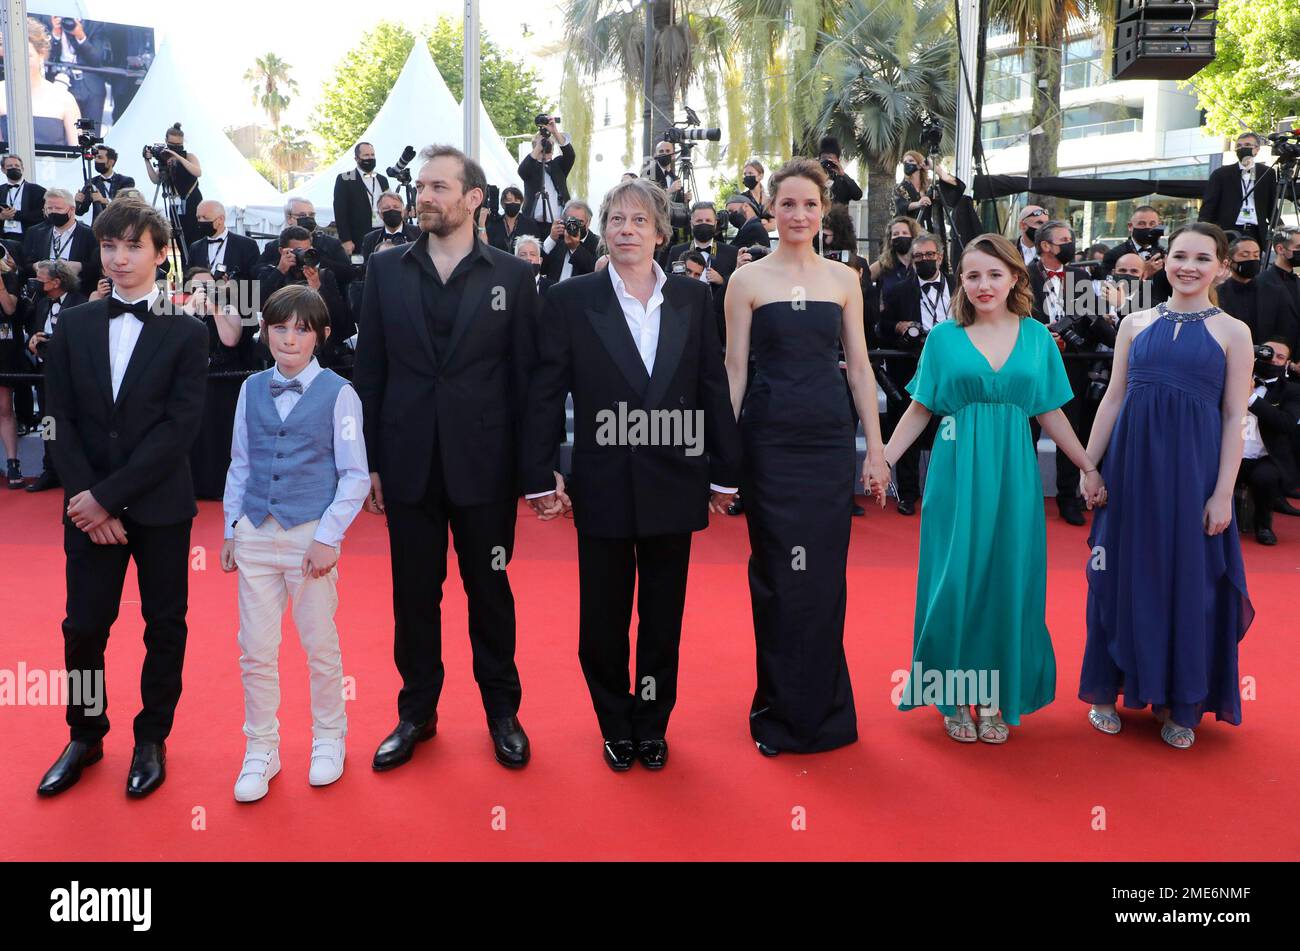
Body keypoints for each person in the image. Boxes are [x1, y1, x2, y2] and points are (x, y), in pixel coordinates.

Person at [522, 177, 741, 770]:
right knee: (603, 618)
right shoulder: (571, 300)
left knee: (663, 617)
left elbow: (710, 385)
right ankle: (614, 721)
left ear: (660, 233)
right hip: (603, 481)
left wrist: (726, 470)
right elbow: (546, 392)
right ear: (603, 229)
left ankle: (652, 720)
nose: (626, 230)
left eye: (639, 221)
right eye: (616, 219)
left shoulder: (695, 300)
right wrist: (541, 472)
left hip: (676, 476)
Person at [353, 144, 538, 772]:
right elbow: (369, 370)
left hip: (484, 465)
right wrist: (369, 461)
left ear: (473, 198)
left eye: (438, 187)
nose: (423, 196)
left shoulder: (513, 277)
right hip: (407, 463)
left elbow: (527, 382)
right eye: (420, 186)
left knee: (489, 591)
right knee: (413, 595)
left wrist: (529, 470)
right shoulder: (385, 271)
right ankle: (416, 713)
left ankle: (502, 712)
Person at [885, 232, 1100, 743]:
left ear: (1015, 279)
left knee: (1008, 582)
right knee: (956, 581)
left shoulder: (1037, 338)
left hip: (1015, 476)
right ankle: (954, 694)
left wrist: (1088, 466)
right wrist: (884, 460)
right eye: (973, 275)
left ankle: (995, 696)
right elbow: (920, 408)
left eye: (994, 274)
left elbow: (1051, 411)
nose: (983, 285)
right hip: (957, 472)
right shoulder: (943, 338)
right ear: (960, 281)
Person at [35, 199, 208, 798]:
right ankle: (84, 733)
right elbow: (57, 420)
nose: (120, 257)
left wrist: (107, 498)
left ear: (162, 255)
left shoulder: (189, 333)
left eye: (134, 246)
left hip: (157, 507)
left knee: (165, 627)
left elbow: (178, 432)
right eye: (111, 246)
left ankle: (152, 737)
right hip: (86, 508)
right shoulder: (74, 325)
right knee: (83, 627)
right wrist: (85, 498)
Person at [724, 158, 890, 756]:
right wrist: (726, 456)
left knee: (822, 578)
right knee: (775, 577)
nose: (798, 215)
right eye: (787, 204)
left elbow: (862, 367)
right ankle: (778, 712)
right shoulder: (747, 282)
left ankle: (825, 711)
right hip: (768, 442)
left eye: (810, 205)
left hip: (825, 440)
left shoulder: (845, 279)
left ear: (825, 212)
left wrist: (876, 450)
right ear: (771, 209)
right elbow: (735, 371)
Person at [1080, 222, 1255, 749]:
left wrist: (1223, 491)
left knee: (1190, 582)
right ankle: (1107, 692)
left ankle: (1180, 701)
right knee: (1119, 574)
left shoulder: (1234, 332)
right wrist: (1090, 466)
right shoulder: (1134, 322)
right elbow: (1112, 399)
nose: (1189, 267)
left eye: (1203, 259)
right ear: (1164, 261)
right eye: (1180, 256)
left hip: (1193, 477)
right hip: (1130, 473)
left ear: (1220, 267)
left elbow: (1233, 418)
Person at [220, 284, 370, 802]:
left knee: (319, 646)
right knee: (255, 651)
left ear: (320, 337)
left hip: (310, 537)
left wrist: (329, 538)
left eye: (301, 329)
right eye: (279, 327)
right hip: (255, 534)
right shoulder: (249, 388)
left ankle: (330, 736)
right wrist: (230, 528)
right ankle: (261, 747)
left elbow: (354, 475)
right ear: (265, 332)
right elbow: (240, 462)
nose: (289, 338)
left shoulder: (340, 392)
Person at [1027, 219, 1098, 526]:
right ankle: (1024, 498)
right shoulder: (1023, 276)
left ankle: (1068, 498)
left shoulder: (1079, 275)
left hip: (1071, 367)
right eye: (1065, 239)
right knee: (1026, 434)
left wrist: (1067, 340)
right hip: (1031, 365)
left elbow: (1088, 320)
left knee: (1070, 432)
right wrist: (1043, 337)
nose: (1070, 244)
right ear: (1045, 245)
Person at [879, 232, 953, 516]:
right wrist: (899, 326)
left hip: (953, 370)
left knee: (947, 435)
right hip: (911, 369)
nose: (924, 261)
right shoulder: (898, 290)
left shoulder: (960, 286)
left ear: (941, 256)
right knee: (906, 431)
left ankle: (946, 493)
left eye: (929, 256)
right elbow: (880, 328)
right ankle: (908, 495)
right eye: (918, 257)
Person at [23, 259, 88, 493]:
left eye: (39, 280)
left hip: (74, 377)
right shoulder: (41, 304)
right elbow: (35, 331)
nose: (35, 284)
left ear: (56, 282)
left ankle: (77, 469)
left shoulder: (80, 304)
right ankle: (50, 468)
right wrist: (33, 343)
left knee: (74, 422)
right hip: (46, 376)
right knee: (48, 422)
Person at [258, 227, 355, 369]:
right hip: (281, 352)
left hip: (319, 354)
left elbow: (340, 318)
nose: (303, 255)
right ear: (282, 251)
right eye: (297, 251)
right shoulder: (269, 273)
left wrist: (318, 288)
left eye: (307, 250)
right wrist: (280, 272)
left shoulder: (324, 275)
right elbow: (258, 304)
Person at [1239, 337, 1300, 545]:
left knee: (1266, 477)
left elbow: (1286, 423)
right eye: (1268, 352)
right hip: (1228, 452)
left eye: (1280, 357)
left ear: (1286, 364)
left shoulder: (1291, 391)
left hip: (1263, 457)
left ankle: (1263, 525)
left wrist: (1251, 398)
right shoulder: (1235, 377)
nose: (1273, 359)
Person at [0, 18, 79, 146]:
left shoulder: (65, 100)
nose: (20, 61)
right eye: (14, 54)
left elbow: (79, 153)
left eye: (27, 55)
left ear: (41, 54)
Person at [1216, 234, 1300, 353]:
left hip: (1268, 361)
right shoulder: (1217, 294)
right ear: (1230, 261)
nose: (1252, 259)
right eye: (1245, 255)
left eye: (1256, 255)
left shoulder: (1275, 292)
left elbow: (1286, 329)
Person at [1199, 132, 1275, 244]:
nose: (1242, 148)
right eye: (1239, 146)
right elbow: (1209, 205)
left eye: (1247, 144)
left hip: (1257, 231)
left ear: (1257, 149)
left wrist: (1281, 228)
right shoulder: (1221, 174)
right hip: (1228, 231)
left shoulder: (1267, 173)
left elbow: (1272, 206)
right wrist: (1202, 231)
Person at [22, 188, 99, 294]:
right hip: (45, 298)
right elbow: (25, 264)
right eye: (49, 208)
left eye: (58, 208)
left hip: (77, 297)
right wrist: (35, 266)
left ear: (72, 209)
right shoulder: (37, 233)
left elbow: (98, 267)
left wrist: (80, 266)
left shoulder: (90, 235)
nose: (53, 212)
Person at [41, 15, 108, 134]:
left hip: (89, 86)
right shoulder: (49, 19)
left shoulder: (95, 23)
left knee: (88, 135)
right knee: (61, 132)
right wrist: (55, 34)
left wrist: (80, 36)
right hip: (60, 81)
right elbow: (45, 57)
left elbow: (97, 60)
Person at [141, 123, 203, 248]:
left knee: (195, 238)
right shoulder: (164, 159)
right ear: (166, 141)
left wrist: (178, 157)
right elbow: (156, 180)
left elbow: (197, 172)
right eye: (172, 145)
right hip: (175, 203)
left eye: (178, 146)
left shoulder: (189, 156)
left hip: (192, 201)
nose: (175, 148)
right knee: (180, 239)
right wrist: (147, 161)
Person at [1101, 205, 1171, 304]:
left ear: (1159, 225)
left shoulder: (1163, 253)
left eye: (1152, 224)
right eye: (1142, 224)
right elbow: (1110, 292)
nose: (1148, 228)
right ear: (1130, 226)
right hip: (1128, 312)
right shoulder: (1114, 255)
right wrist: (1144, 272)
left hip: (1159, 313)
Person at [332, 142, 390, 256]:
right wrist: (345, 239)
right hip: (358, 237)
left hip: (382, 234)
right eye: (366, 155)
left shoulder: (382, 179)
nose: (370, 158)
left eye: (372, 155)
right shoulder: (345, 178)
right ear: (356, 158)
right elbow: (340, 212)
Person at [1256, 227, 1300, 371]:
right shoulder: (1263, 282)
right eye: (1298, 247)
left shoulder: (1297, 281)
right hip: (1274, 366)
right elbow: (1263, 328)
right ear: (1280, 249)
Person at [518, 116, 574, 230]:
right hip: (533, 224)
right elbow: (522, 171)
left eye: (549, 142)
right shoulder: (531, 166)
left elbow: (570, 155)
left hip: (557, 224)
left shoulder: (558, 165)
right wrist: (538, 147)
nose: (547, 143)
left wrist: (555, 132)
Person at [0, 243, 24, 487]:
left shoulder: (9, 276)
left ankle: (12, 462)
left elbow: (9, 307)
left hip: (4, 345)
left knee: (5, 406)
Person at [541, 199, 599, 283]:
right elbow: (540, 268)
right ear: (563, 220)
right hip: (553, 293)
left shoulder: (598, 244)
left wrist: (575, 248)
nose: (574, 226)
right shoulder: (558, 238)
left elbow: (596, 270)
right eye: (571, 221)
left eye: (580, 222)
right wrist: (551, 239)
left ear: (588, 222)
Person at [74, 146, 135, 222]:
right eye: (95, 157)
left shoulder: (126, 181)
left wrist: (104, 200)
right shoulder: (91, 182)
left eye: (100, 157)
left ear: (110, 162)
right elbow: (80, 212)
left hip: (119, 228)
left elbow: (126, 204)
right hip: (98, 229)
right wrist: (78, 202)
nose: (96, 160)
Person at [870, 215, 922, 298]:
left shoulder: (921, 263)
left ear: (913, 237)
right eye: (895, 234)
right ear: (890, 240)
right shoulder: (882, 264)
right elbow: (861, 282)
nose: (900, 236)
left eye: (905, 233)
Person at [360, 191, 419, 261]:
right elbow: (366, 268)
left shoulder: (419, 234)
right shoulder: (370, 239)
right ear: (380, 214)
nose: (392, 210)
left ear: (403, 212)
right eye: (386, 208)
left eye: (396, 207)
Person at [1, 155, 49, 238]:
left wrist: (15, 215)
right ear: (3, 170)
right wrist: (1, 216)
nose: (14, 168)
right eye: (10, 166)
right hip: (3, 239)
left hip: (29, 239)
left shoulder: (38, 190)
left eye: (17, 165)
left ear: (22, 169)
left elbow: (42, 215)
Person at [819, 136, 863, 207]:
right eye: (824, 158)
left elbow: (858, 195)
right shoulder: (815, 179)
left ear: (837, 161)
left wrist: (843, 174)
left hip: (839, 217)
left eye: (830, 158)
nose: (827, 162)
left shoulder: (843, 181)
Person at [486, 185, 532, 252]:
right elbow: (485, 248)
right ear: (502, 203)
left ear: (521, 203)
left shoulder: (529, 225)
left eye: (516, 200)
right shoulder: (494, 224)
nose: (513, 203)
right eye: (509, 200)